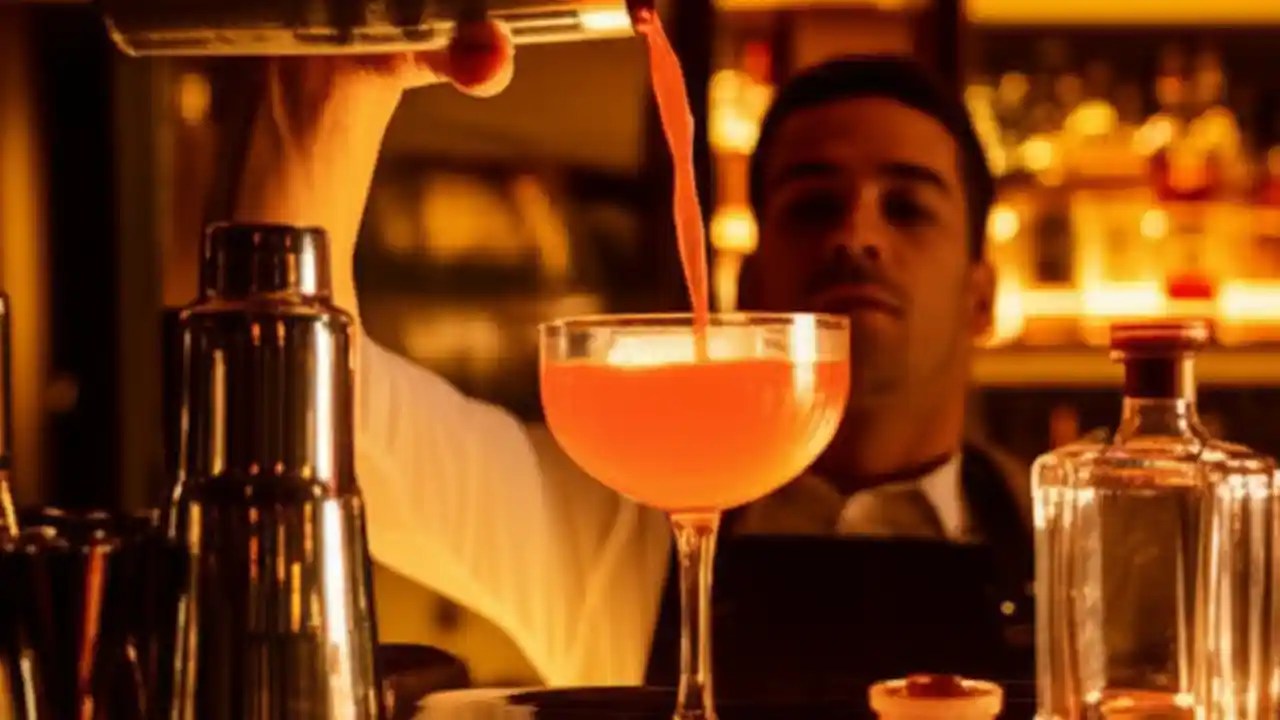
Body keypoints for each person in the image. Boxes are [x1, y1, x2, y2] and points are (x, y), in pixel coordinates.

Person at [229, 37, 1032, 693]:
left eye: (908, 207)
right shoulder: (606, 523)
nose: (857, 235)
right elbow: (319, 411)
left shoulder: (1064, 542)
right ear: (749, 287)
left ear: (983, 297)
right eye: (812, 204)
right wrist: (332, 93)